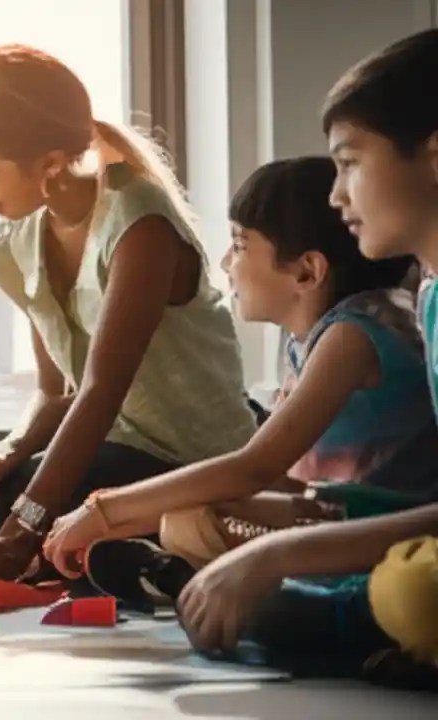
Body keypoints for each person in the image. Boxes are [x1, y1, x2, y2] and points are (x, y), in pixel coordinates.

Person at [0, 43, 255, 576]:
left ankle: (83, 565)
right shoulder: (10, 246)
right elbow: (56, 389)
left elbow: (101, 392)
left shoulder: (139, 224)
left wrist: (19, 535)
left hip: (184, 458)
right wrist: (8, 453)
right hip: (108, 443)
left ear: (50, 163)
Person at [41, 157, 435, 601]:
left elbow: (255, 466)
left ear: (308, 270)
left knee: (199, 518)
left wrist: (103, 510)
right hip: (336, 513)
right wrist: (107, 521)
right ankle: (181, 576)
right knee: (187, 517)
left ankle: (197, 583)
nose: (227, 261)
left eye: (241, 243)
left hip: (383, 531)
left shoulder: (352, 336)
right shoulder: (311, 337)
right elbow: (280, 481)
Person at [176, 29, 438, 687]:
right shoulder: (429, 298)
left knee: (410, 591)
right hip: (386, 530)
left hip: (396, 536)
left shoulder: (366, 328)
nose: (336, 194)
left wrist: (278, 552)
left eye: (350, 162)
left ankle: (331, 617)